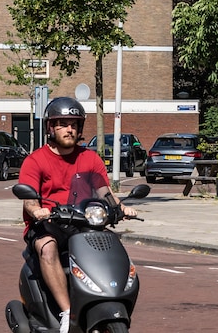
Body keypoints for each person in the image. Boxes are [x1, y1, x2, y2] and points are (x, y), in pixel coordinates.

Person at [18, 97, 137, 333]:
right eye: (62, 123)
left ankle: (106, 297)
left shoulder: (89, 159)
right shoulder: (35, 160)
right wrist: (38, 210)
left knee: (109, 243)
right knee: (47, 247)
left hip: (82, 222)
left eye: (74, 124)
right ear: (50, 127)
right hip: (48, 224)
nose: (69, 129)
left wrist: (120, 207)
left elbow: (105, 191)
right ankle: (66, 312)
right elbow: (29, 200)